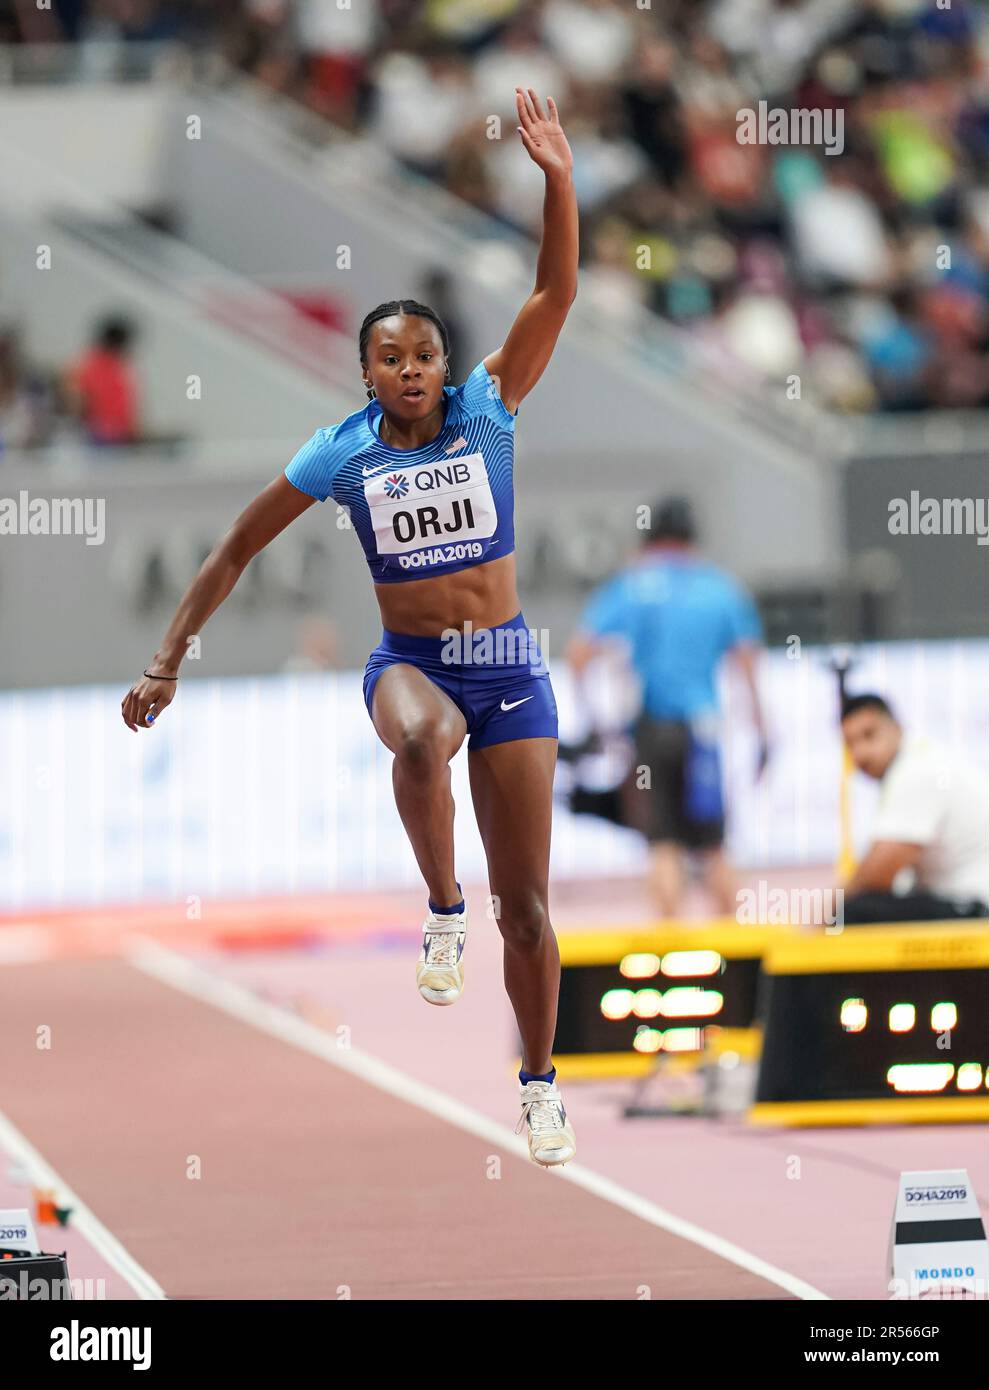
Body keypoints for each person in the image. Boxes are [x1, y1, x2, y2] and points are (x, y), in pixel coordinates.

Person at [121, 88, 579, 1167]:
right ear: (365, 371)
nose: (412, 371)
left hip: (508, 667)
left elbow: (556, 289)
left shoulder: (490, 408)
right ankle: (438, 904)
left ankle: (538, 1082)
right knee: (421, 743)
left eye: (425, 355)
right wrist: (165, 659)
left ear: (440, 364)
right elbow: (235, 546)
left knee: (532, 909)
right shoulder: (339, 454)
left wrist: (558, 179)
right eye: (391, 359)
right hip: (412, 664)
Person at [566, 497, 767, 917]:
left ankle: (668, 951)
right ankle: (740, 958)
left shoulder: (632, 586)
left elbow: (580, 652)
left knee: (662, 843)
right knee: (714, 844)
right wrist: (762, 726)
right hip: (703, 728)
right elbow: (747, 660)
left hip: (651, 728)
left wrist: (593, 720)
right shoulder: (720, 587)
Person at [839, 693, 989, 924]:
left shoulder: (914, 772)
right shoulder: (920, 762)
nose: (860, 752)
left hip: (974, 905)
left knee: (852, 911)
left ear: (897, 729)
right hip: (965, 901)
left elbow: (876, 875)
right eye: (850, 744)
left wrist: (825, 913)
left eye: (869, 735)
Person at [63, 316, 141, 447]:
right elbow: (76, 400)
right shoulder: (88, 365)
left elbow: (127, 406)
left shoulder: (120, 366)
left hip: (120, 436)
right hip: (96, 437)